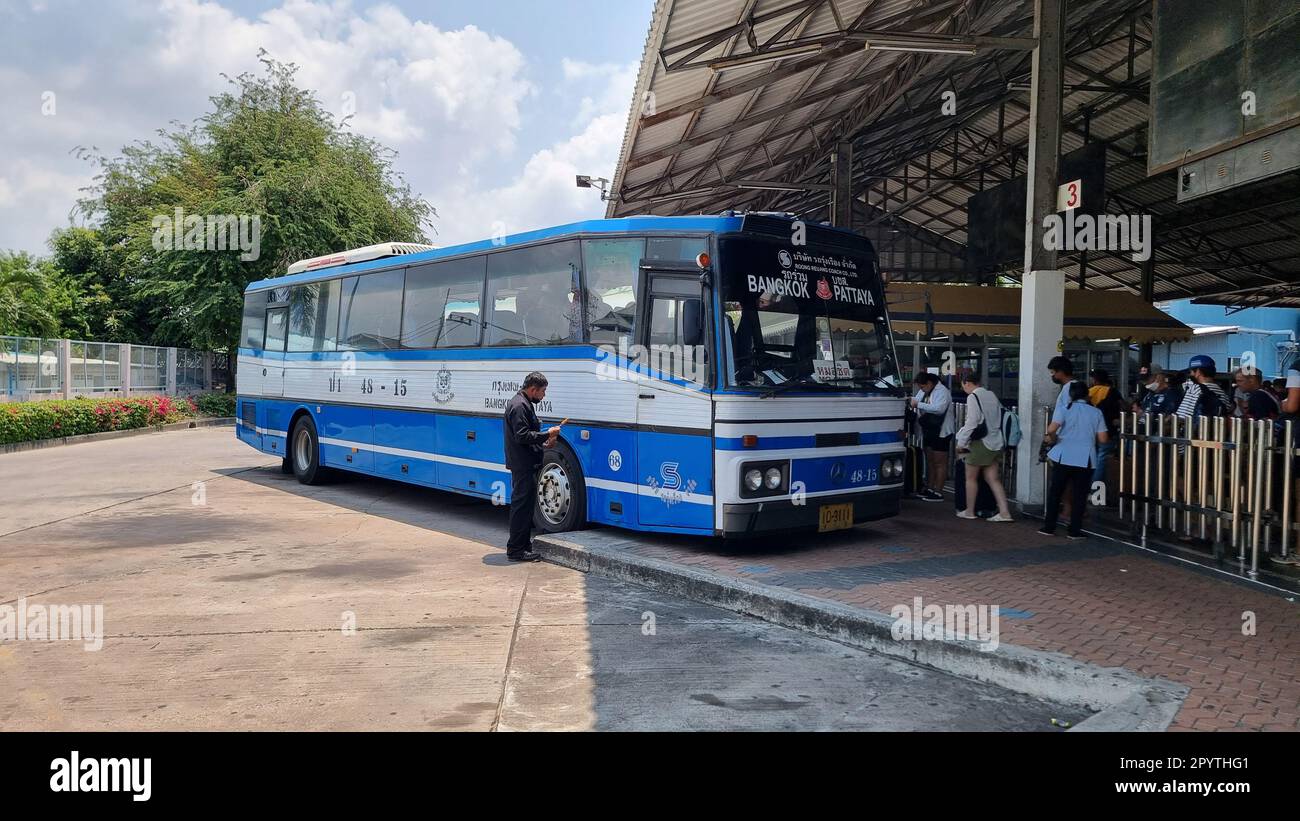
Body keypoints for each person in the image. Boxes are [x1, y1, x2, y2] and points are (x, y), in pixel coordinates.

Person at [502, 372, 561, 562]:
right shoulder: (520, 405)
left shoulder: (523, 403)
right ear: (533, 389)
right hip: (523, 464)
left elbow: (526, 438)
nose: (544, 395)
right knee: (521, 507)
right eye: (543, 391)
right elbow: (522, 436)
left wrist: (544, 444)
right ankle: (516, 550)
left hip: (525, 461)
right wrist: (547, 434)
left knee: (526, 507)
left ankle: (523, 546)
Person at [1039, 381, 1109, 539]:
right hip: (1086, 459)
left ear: (1071, 395)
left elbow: (1051, 430)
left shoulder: (1064, 410)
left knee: (1056, 492)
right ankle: (1074, 531)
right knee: (1080, 495)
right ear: (1087, 394)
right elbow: (1103, 439)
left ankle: (1048, 527)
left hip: (1063, 456)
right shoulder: (1096, 413)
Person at [953, 372, 1014, 522]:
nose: (964, 388)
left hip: (981, 444)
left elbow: (972, 422)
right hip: (996, 442)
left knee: (970, 478)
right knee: (993, 479)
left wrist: (961, 442)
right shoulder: (991, 395)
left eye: (963, 385)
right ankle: (1005, 513)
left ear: (967, 382)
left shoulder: (973, 397)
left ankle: (969, 511)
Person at [909, 373, 953, 502]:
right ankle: (930, 487)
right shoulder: (925, 391)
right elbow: (915, 401)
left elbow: (939, 409)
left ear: (929, 383)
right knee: (930, 460)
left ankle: (938, 491)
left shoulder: (942, 391)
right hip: (929, 429)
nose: (921, 390)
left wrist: (918, 405)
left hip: (942, 431)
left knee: (939, 462)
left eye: (922, 387)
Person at [1088, 368, 1122, 488]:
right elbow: (1122, 406)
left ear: (1095, 380)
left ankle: (1089, 489)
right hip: (1108, 431)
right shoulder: (1113, 392)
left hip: (1091, 432)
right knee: (1102, 460)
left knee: (1091, 460)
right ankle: (1096, 491)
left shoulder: (1088, 392)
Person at [1175, 355, 1231, 422]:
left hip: (1195, 431)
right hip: (1215, 430)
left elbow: (1181, 417)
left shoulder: (1195, 389)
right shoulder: (1223, 393)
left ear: (1198, 372)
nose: (1190, 375)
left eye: (1191, 372)